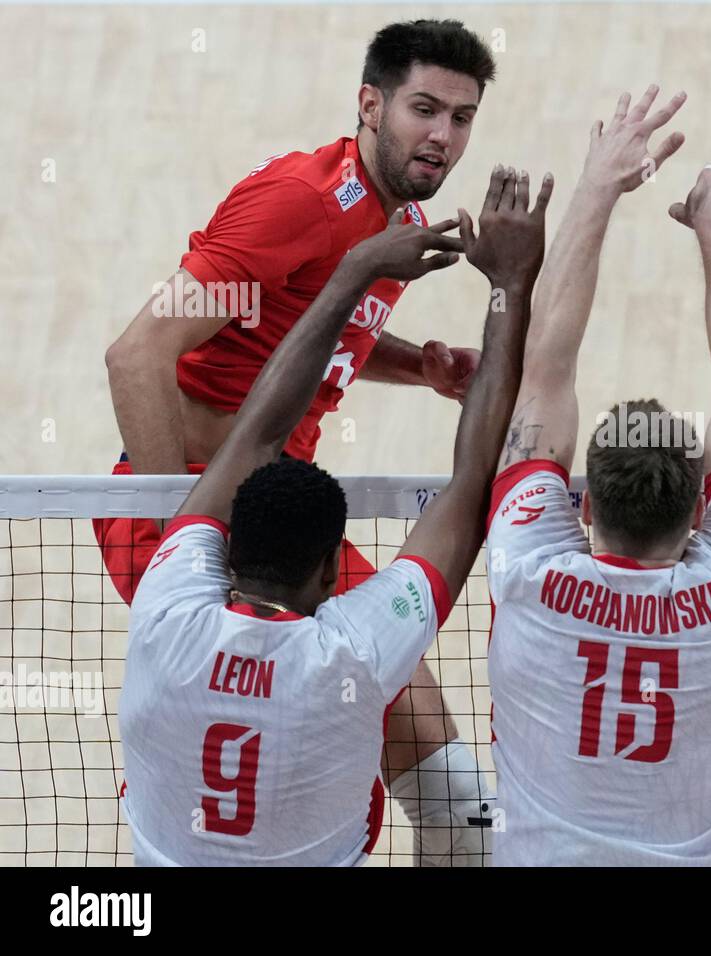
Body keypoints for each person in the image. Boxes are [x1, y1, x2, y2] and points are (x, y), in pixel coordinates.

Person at [101, 18, 502, 864]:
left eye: (460, 117)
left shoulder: (400, 226)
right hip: (194, 515)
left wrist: (415, 367)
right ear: (370, 103)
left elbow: (303, 324)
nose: (442, 134)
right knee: (275, 770)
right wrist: (182, 527)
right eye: (423, 109)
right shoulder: (302, 201)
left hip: (287, 522)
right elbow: (138, 353)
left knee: (453, 792)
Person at [484, 88, 711, 864]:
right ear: (697, 518)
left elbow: (543, 371)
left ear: (580, 509)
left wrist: (597, 186)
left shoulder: (527, 566)